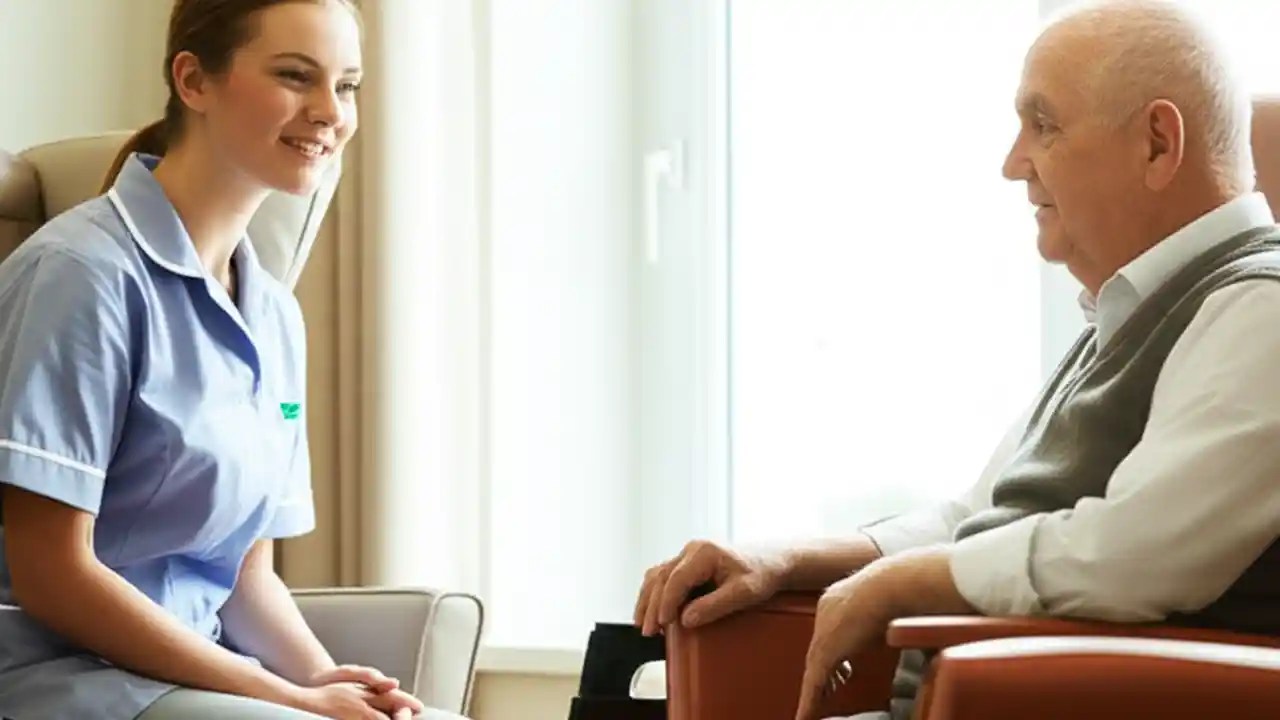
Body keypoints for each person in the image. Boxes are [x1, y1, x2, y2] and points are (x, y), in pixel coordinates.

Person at [634, 2, 1280, 719]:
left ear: (1158, 144)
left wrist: (898, 585)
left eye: (1044, 125)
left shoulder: (1261, 310)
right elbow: (977, 517)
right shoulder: (1137, 311)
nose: (1013, 164)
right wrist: (786, 560)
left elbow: (1136, 556)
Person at [0, 1, 438, 719]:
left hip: (200, 686)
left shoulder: (272, 314)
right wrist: (284, 695)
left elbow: (244, 576)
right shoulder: (78, 274)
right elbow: (54, 574)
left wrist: (336, 687)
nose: (330, 111)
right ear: (194, 81)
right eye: (297, 76)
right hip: (58, 682)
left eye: (348, 85)